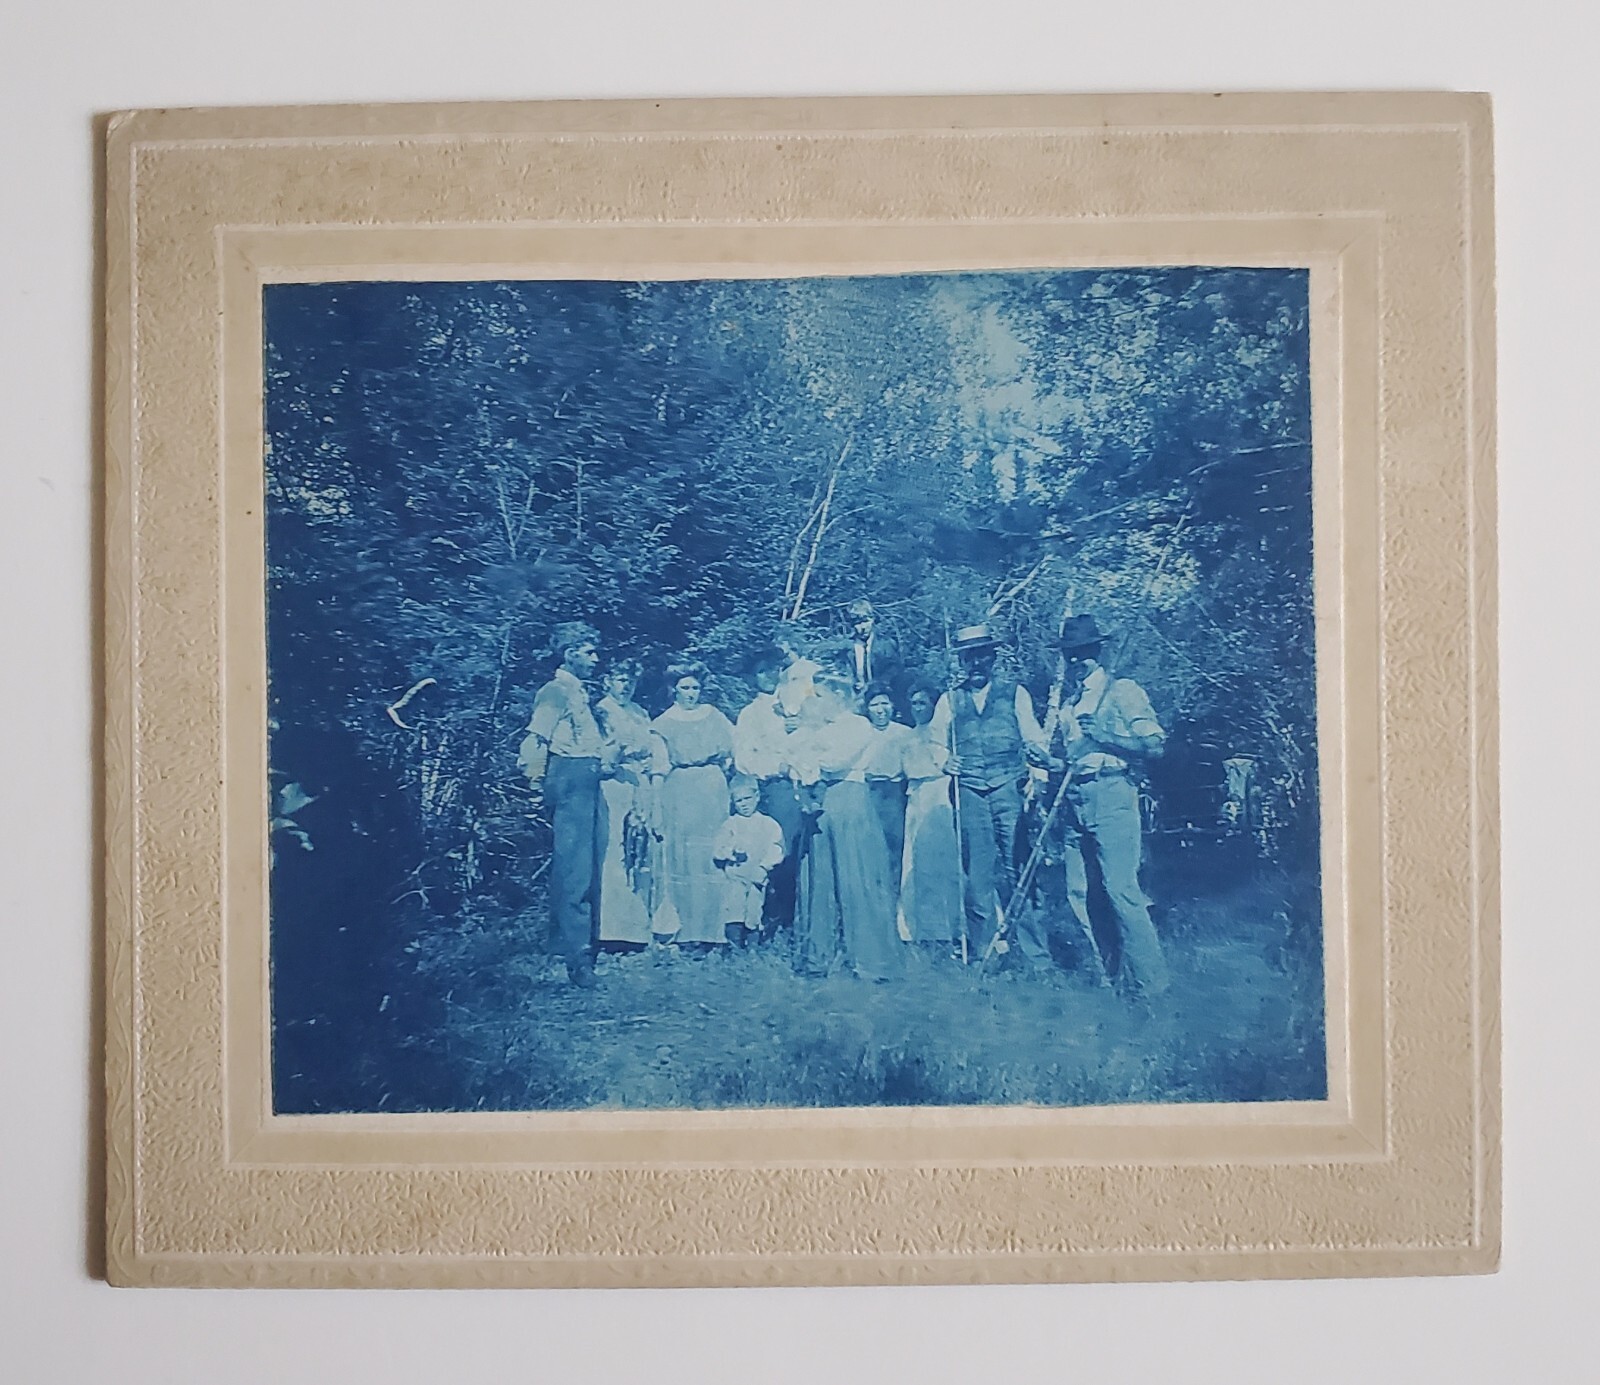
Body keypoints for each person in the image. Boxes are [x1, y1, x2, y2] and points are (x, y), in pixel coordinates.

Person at [1053, 614, 1171, 996]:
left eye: (1084, 653)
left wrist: (1106, 737)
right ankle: (1113, 978)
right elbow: (1075, 759)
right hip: (1076, 800)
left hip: (1113, 794)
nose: (1077, 662)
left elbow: (1154, 747)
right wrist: (1049, 763)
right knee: (1080, 893)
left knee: (1121, 890)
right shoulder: (1069, 704)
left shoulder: (1122, 691)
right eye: (1071, 654)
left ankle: (1153, 986)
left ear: (1097, 651)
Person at [928, 623, 1055, 962]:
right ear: (961, 661)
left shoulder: (1015, 694)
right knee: (978, 876)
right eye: (969, 658)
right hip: (969, 792)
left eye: (982, 656)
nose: (976, 664)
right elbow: (935, 742)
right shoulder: (948, 701)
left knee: (1019, 868)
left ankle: (1036, 956)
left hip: (1009, 789)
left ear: (992, 657)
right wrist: (945, 761)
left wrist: (1038, 780)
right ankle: (984, 954)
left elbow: (1034, 739)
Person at [788, 672, 903, 981]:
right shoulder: (817, 728)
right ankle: (818, 957)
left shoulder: (857, 725)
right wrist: (805, 761)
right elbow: (793, 758)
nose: (815, 703)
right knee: (819, 878)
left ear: (839, 697)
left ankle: (870, 959)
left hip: (849, 797)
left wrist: (810, 759)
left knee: (856, 878)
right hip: (820, 804)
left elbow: (835, 762)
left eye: (821, 697)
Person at [518, 622, 607, 988]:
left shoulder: (578, 692)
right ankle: (577, 958)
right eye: (588, 652)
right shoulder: (555, 691)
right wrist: (536, 784)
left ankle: (574, 946)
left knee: (588, 866)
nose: (595, 659)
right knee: (575, 871)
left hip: (586, 778)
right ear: (569, 653)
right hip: (568, 779)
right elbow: (535, 740)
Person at [649, 660, 735, 949]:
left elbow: (733, 752)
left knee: (715, 854)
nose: (691, 693)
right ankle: (685, 931)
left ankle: (716, 931)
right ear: (673, 689)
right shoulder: (662, 723)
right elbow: (659, 768)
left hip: (712, 789)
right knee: (683, 858)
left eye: (696, 688)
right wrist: (655, 808)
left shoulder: (715, 716)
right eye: (685, 688)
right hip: (680, 792)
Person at [732, 646, 806, 935]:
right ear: (753, 677)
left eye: (772, 670)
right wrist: (777, 766)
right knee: (779, 855)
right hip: (777, 788)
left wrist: (800, 727)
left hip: (808, 786)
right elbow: (743, 758)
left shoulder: (799, 704)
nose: (768, 676)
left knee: (805, 856)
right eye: (761, 672)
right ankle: (773, 923)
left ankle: (803, 921)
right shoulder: (750, 714)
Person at [594, 658, 661, 949]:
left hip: (640, 783)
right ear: (607, 681)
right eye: (621, 680)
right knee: (614, 850)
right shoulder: (599, 711)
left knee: (641, 852)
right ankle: (610, 930)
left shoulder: (640, 712)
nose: (626, 687)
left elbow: (651, 748)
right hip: (612, 784)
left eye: (631, 682)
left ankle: (637, 928)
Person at [897, 681, 962, 947]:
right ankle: (920, 929)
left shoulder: (945, 734)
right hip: (916, 798)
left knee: (944, 862)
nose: (917, 708)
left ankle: (954, 928)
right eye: (913, 703)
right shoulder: (907, 737)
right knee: (916, 862)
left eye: (923, 702)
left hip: (939, 794)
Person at [711, 774, 786, 945]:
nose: (744, 804)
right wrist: (729, 852)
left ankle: (753, 945)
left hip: (756, 877)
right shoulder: (731, 824)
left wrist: (765, 867)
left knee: (754, 911)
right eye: (739, 801)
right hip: (736, 876)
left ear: (757, 797)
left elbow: (776, 849)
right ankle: (734, 945)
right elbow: (718, 848)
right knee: (734, 909)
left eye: (747, 799)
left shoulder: (768, 824)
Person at [860, 680, 913, 912]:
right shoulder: (859, 732)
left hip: (896, 795)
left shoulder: (904, 733)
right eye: (874, 705)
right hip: (867, 794)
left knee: (895, 850)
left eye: (884, 703)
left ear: (892, 705)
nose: (880, 709)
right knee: (868, 850)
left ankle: (895, 907)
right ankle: (872, 906)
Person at [844, 598, 901, 700]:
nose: (863, 627)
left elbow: (894, 670)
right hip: (855, 698)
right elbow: (845, 675)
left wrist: (874, 685)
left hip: (883, 696)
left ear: (873, 619)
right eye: (858, 623)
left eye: (866, 621)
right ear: (852, 625)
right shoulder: (848, 648)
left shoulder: (885, 644)